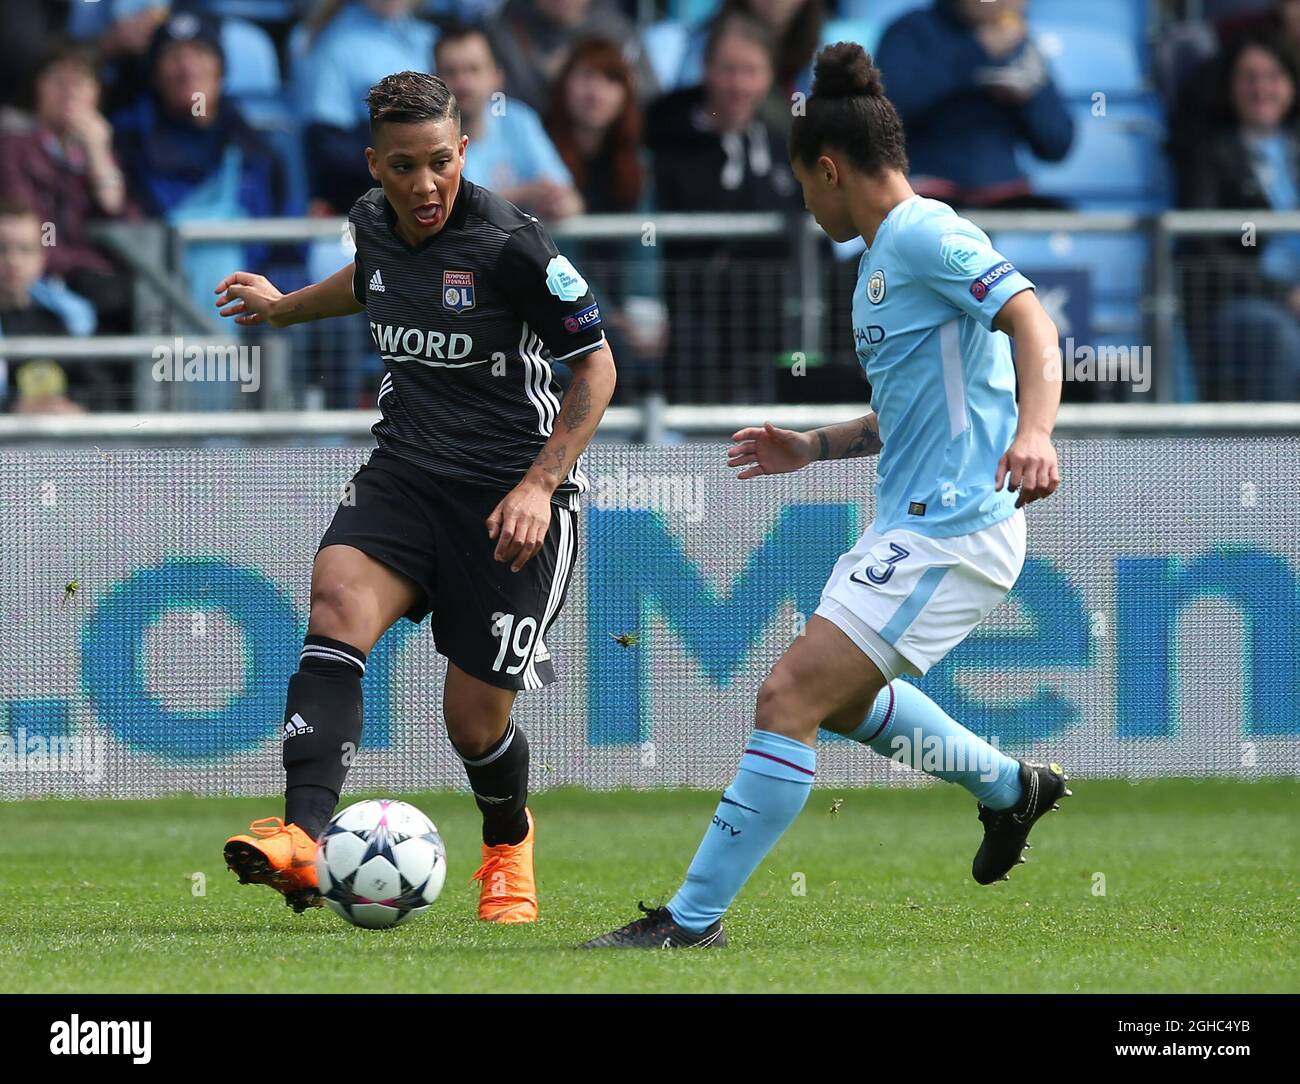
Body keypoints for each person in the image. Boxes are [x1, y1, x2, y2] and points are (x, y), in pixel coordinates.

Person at [582, 43, 1068, 950]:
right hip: (914, 521)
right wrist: (813, 445)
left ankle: (690, 923)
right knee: (838, 703)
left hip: (956, 525)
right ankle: (1010, 787)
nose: (806, 205)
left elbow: (1030, 317)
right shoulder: (884, 262)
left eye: (806, 185)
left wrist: (1035, 432)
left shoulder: (926, 232)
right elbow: (905, 413)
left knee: (787, 697)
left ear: (830, 168)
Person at [215, 70, 617, 924]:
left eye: (440, 162)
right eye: (402, 167)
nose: (424, 185)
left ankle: (508, 840)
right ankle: (301, 837)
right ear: (374, 167)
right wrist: (285, 308)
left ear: (463, 151)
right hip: (405, 474)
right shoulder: (371, 223)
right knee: (335, 604)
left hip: (511, 498)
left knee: (472, 726)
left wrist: (541, 485)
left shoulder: (514, 245)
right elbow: (372, 281)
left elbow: (598, 364)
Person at [645, 11, 802, 403]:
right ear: (706, 69)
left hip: (767, 325)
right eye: (728, 69)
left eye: (751, 71)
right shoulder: (663, 135)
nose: (738, 85)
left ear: (769, 77)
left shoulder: (783, 146)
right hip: (686, 325)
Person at [1177, 33, 1300, 400]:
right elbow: (1204, 245)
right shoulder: (1210, 156)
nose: (1262, 88)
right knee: (1275, 334)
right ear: (1230, 87)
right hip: (1247, 300)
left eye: (1273, 76)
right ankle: (1277, 455)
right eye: (1249, 77)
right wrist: (1283, 294)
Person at [544, 37, 666, 390]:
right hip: (564, 306)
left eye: (610, 80)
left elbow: (645, 244)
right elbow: (554, 253)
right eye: (585, 77)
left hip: (621, 304)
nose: (596, 91)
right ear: (564, 85)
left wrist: (645, 311)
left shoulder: (638, 164)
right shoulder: (543, 154)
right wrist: (608, 316)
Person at [875, 0, 1073, 209]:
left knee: (1064, 227)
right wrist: (977, 52)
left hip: (1006, 196)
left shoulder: (1021, 47)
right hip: (927, 194)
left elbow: (1057, 143)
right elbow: (886, 114)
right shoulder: (912, 31)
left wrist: (1029, 99)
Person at [0, 42, 137, 334]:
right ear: (36, 88)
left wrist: (99, 154)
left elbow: (127, 225)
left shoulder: (102, 150)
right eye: (58, 80)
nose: (70, 91)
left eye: (82, 81)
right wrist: (89, 265)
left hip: (93, 279)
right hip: (37, 278)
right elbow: (28, 229)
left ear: (97, 93)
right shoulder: (12, 148)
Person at [435, 22, 582, 220]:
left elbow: (570, 199)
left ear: (497, 77)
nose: (463, 83)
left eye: (473, 69)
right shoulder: (424, 132)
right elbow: (451, 208)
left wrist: (558, 203)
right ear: (433, 80)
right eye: (450, 72)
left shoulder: (519, 120)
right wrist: (525, 194)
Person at [489, 0, 656, 114]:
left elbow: (648, 96)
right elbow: (495, 107)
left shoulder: (617, 32)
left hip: (607, 147)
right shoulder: (502, 31)